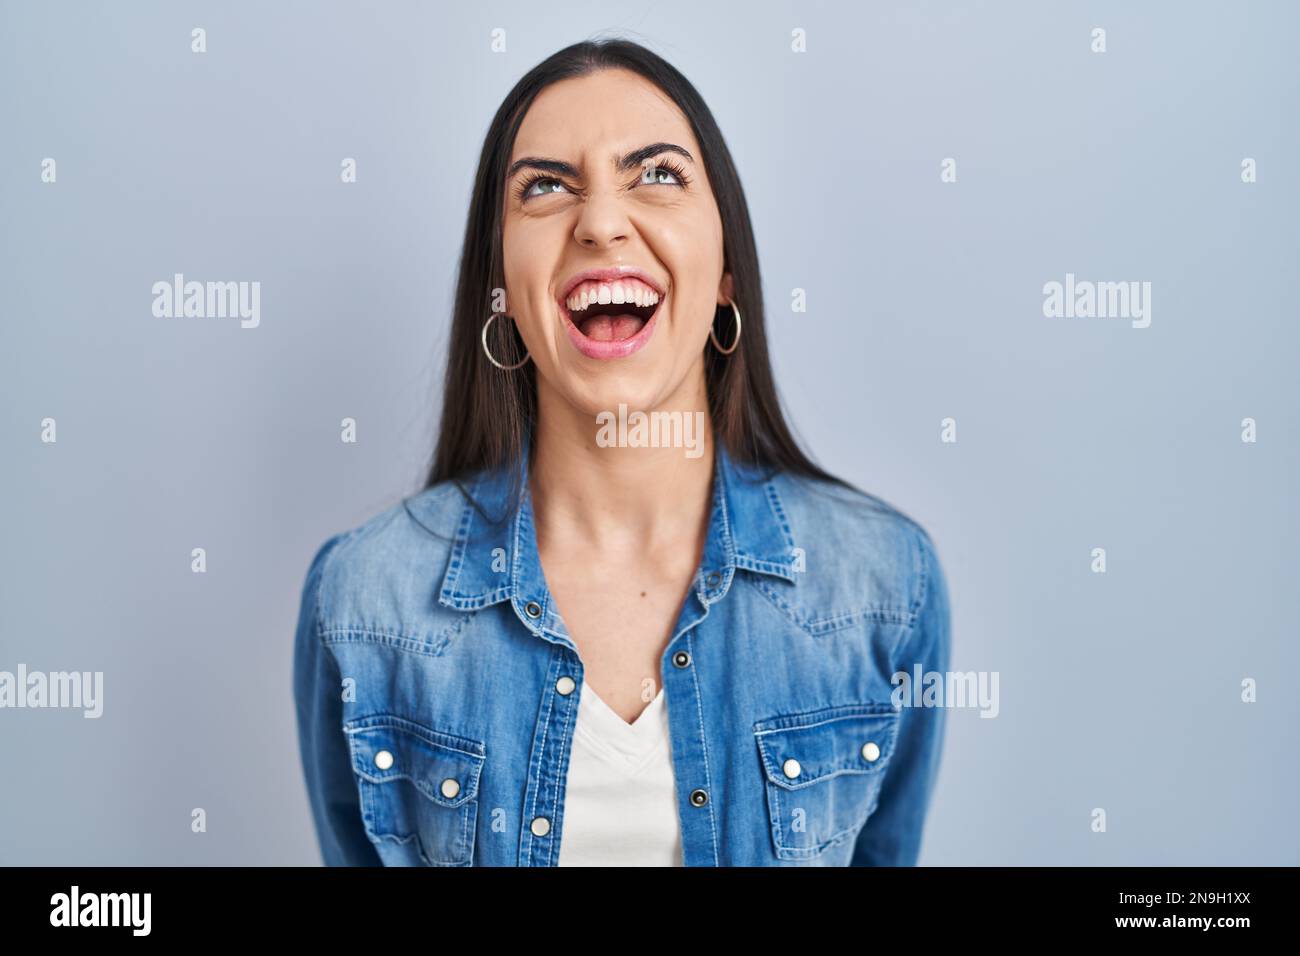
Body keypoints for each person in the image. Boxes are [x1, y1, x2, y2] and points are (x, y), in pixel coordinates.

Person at [293, 38, 951, 867]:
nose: (601, 221)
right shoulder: (364, 600)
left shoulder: (884, 585)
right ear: (500, 284)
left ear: (725, 273)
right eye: (545, 187)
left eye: (658, 174)